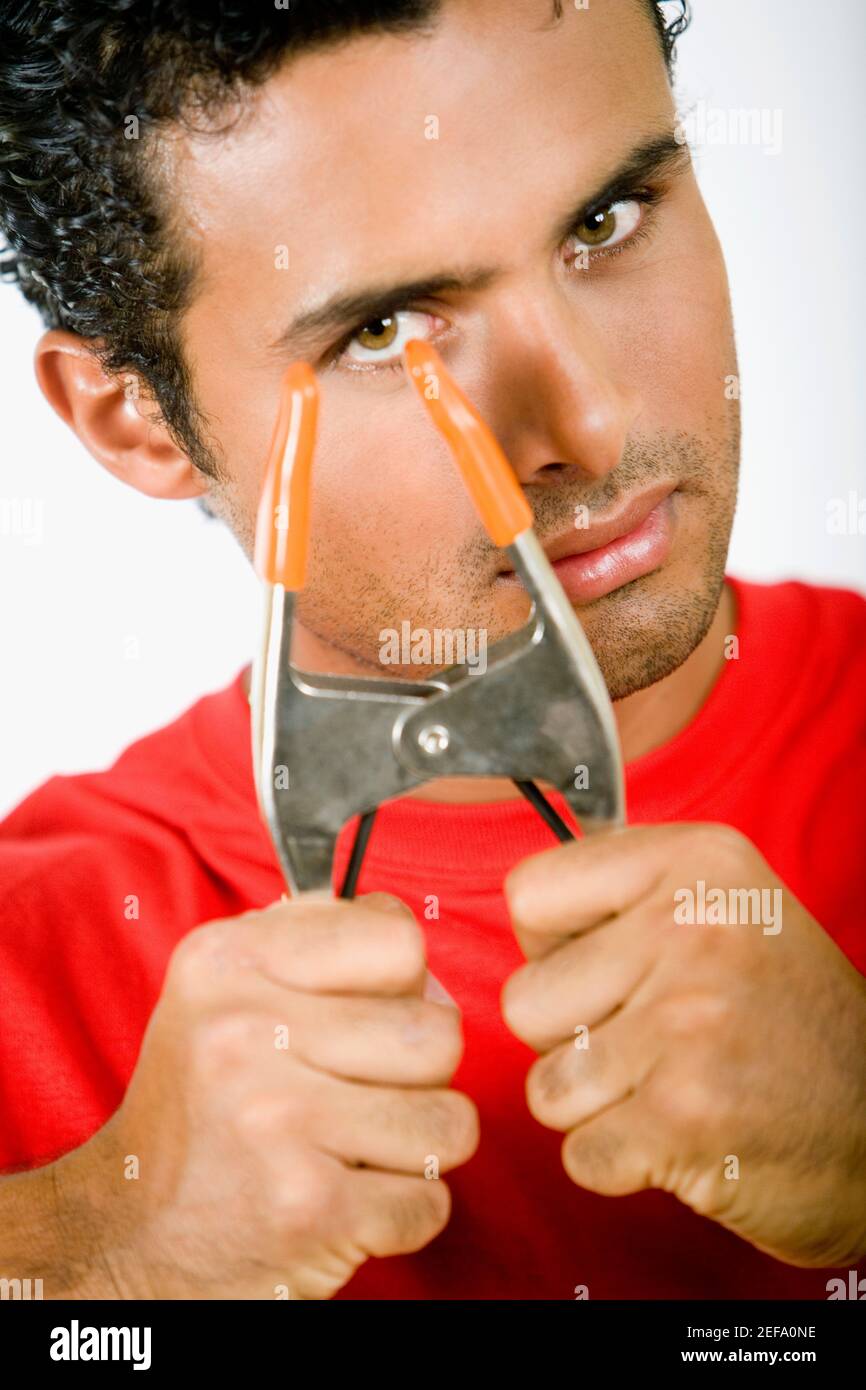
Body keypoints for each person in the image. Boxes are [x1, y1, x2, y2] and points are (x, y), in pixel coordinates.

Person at [0, 0, 863, 1301]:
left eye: (602, 223)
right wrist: (106, 1251)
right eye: (388, 331)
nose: (587, 418)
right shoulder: (32, 963)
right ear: (133, 419)